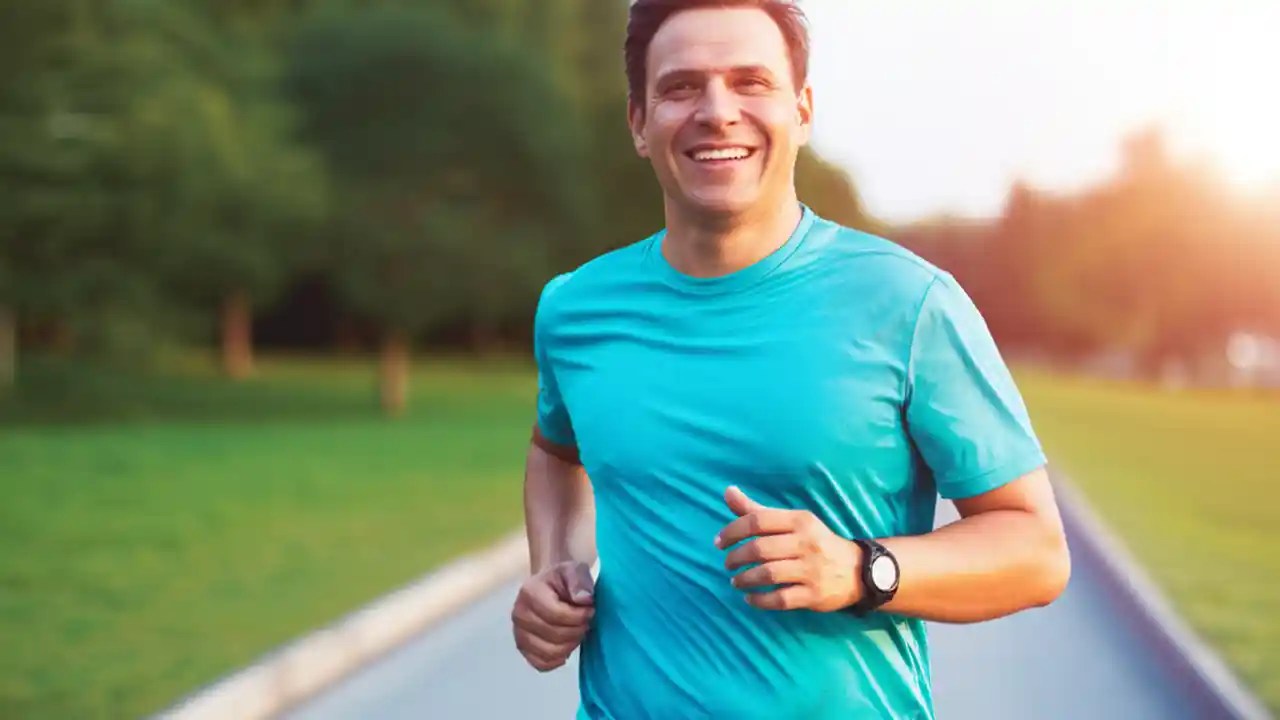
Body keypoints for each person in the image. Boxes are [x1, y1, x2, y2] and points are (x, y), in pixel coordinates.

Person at [510, 1, 1071, 718]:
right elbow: (555, 451)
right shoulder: (575, 309)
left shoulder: (908, 303)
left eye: (751, 82)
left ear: (802, 111)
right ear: (638, 123)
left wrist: (860, 569)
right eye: (682, 87)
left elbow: (1036, 551)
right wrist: (554, 566)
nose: (717, 111)